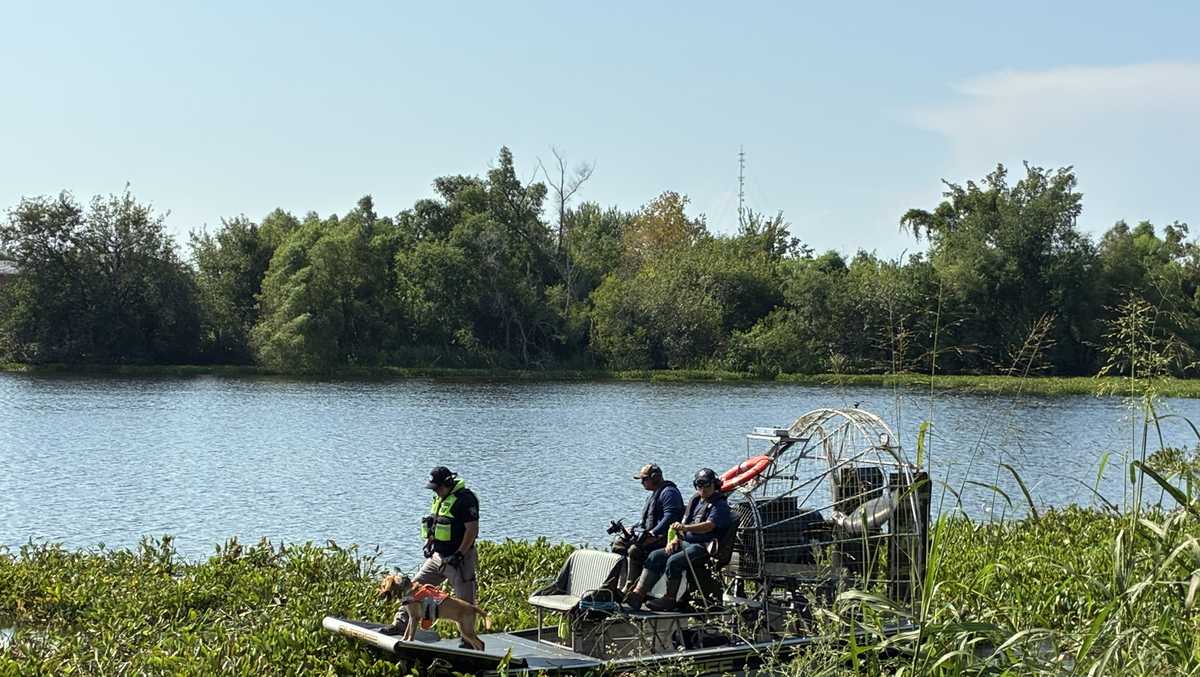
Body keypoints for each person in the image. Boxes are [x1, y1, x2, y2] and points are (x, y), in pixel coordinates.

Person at [381, 466, 479, 637]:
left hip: (459, 560)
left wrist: (460, 554)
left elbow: (472, 530)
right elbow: (435, 523)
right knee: (411, 590)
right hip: (437, 557)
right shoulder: (440, 498)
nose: (436, 491)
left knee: (465, 603)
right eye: (434, 488)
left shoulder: (466, 500)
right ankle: (400, 624)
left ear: (448, 483)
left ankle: (468, 640)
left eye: (438, 488)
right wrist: (429, 543)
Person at [624, 467, 731, 612]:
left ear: (715, 485)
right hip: (685, 542)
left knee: (674, 561)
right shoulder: (695, 500)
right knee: (655, 556)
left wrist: (685, 528)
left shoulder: (720, 504)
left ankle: (669, 599)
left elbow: (709, 526)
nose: (703, 489)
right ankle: (637, 594)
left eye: (706, 485)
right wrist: (675, 540)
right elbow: (682, 523)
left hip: (704, 547)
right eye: (699, 485)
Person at [623, 464, 684, 592]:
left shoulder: (669, 493)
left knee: (634, 550)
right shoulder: (652, 495)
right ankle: (619, 584)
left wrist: (653, 533)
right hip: (650, 535)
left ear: (655, 477)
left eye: (644, 479)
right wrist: (633, 528)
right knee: (619, 544)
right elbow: (645, 520)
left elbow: (670, 517)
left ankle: (631, 587)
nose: (642, 483)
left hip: (663, 538)